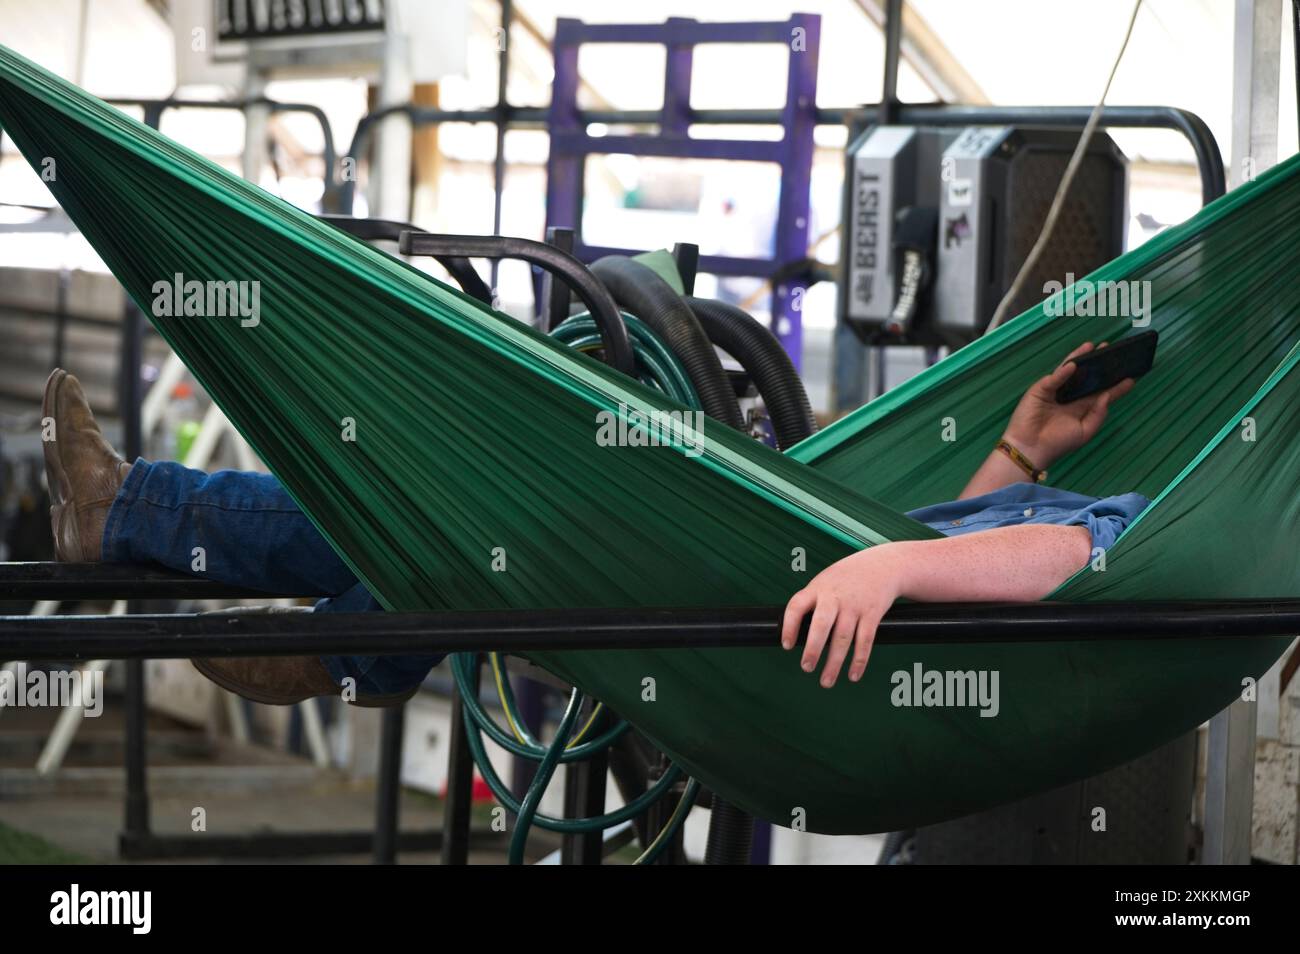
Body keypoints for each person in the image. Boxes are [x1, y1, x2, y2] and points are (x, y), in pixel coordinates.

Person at [40, 342, 1146, 705]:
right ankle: (132, 510)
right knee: (449, 518)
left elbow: (1084, 557)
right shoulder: (1053, 486)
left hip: (805, 624)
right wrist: (1024, 449)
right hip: (794, 564)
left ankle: (337, 648)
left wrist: (891, 567)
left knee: (516, 525)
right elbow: (1005, 531)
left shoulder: (1179, 522)